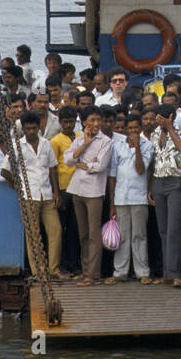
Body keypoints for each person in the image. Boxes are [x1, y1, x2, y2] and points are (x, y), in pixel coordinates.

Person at [4, 111, 63, 279]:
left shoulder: (46, 144)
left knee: (56, 230)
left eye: (34, 128)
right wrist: (19, 185)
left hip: (46, 194)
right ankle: (38, 271)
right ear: (23, 128)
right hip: (29, 196)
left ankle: (53, 269)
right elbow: (4, 170)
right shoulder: (17, 145)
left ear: (39, 128)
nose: (31, 131)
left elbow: (52, 168)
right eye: (28, 128)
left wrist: (56, 192)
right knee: (33, 234)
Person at [63, 107, 113, 286]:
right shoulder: (78, 139)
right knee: (82, 233)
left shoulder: (105, 141)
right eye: (92, 120)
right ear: (84, 122)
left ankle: (93, 274)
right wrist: (85, 144)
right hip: (77, 189)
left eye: (98, 120)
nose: (96, 124)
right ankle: (85, 270)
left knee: (94, 234)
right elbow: (68, 160)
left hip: (94, 191)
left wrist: (84, 164)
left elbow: (100, 166)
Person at [148, 104, 181, 287]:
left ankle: (174, 272)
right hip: (158, 181)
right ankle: (167, 272)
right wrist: (150, 187)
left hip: (176, 181)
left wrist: (170, 128)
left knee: (174, 228)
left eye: (161, 118)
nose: (158, 121)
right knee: (163, 229)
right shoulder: (155, 133)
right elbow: (154, 160)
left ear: (171, 116)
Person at [106, 114, 153, 284]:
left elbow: (141, 170)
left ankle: (142, 272)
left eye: (136, 128)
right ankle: (120, 272)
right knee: (123, 235)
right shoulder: (117, 146)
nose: (133, 131)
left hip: (139, 197)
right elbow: (112, 175)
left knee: (139, 235)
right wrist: (112, 203)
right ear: (125, 130)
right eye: (130, 128)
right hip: (120, 197)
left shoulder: (148, 146)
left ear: (140, 129)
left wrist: (138, 147)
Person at [50, 105, 82, 277]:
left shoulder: (81, 137)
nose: (68, 125)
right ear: (60, 122)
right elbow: (53, 168)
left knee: (75, 229)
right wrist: (56, 193)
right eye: (65, 122)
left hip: (79, 187)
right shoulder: (55, 141)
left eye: (71, 122)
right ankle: (62, 264)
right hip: (63, 188)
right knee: (61, 228)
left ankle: (74, 263)